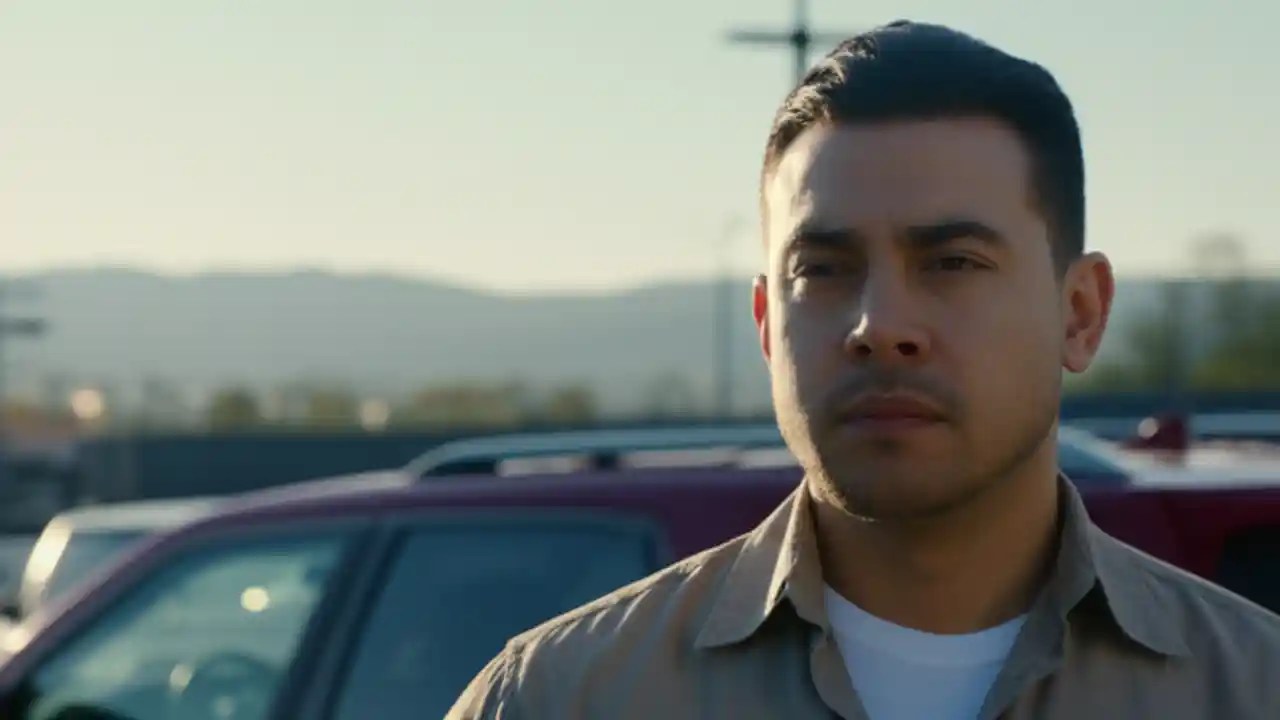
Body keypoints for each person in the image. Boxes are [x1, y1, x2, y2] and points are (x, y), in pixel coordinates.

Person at [447, 20, 1280, 719]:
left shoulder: (1249, 688)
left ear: (1081, 313)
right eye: (823, 269)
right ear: (767, 324)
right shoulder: (560, 698)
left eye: (952, 262)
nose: (879, 327)